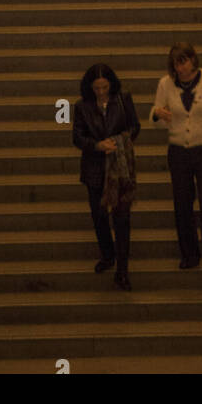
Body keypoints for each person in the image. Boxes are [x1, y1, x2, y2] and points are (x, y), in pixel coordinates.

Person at [150, 41, 202, 287]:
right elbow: (156, 115)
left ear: (193, 60)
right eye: (176, 62)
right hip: (178, 151)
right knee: (182, 205)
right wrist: (158, 114)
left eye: (184, 60)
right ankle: (189, 253)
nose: (181, 66)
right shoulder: (165, 84)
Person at [72, 63, 140, 291]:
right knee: (99, 215)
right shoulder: (82, 106)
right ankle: (107, 253)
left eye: (104, 87)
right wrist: (96, 145)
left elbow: (135, 126)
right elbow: (77, 137)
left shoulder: (123, 99)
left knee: (122, 217)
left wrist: (120, 140)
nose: (101, 92)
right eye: (97, 88)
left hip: (119, 168)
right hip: (94, 168)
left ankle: (123, 269)